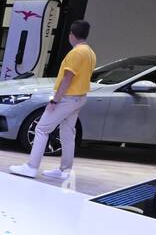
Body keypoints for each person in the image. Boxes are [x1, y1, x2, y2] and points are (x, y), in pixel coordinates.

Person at [10, 20, 95, 181]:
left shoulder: (76, 53)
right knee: (68, 133)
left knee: (42, 129)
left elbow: (67, 78)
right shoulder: (90, 52)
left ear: (71, 35)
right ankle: (65, 170)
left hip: (67, 98)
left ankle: (31, 167)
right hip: (80, 98)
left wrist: (55, 100)